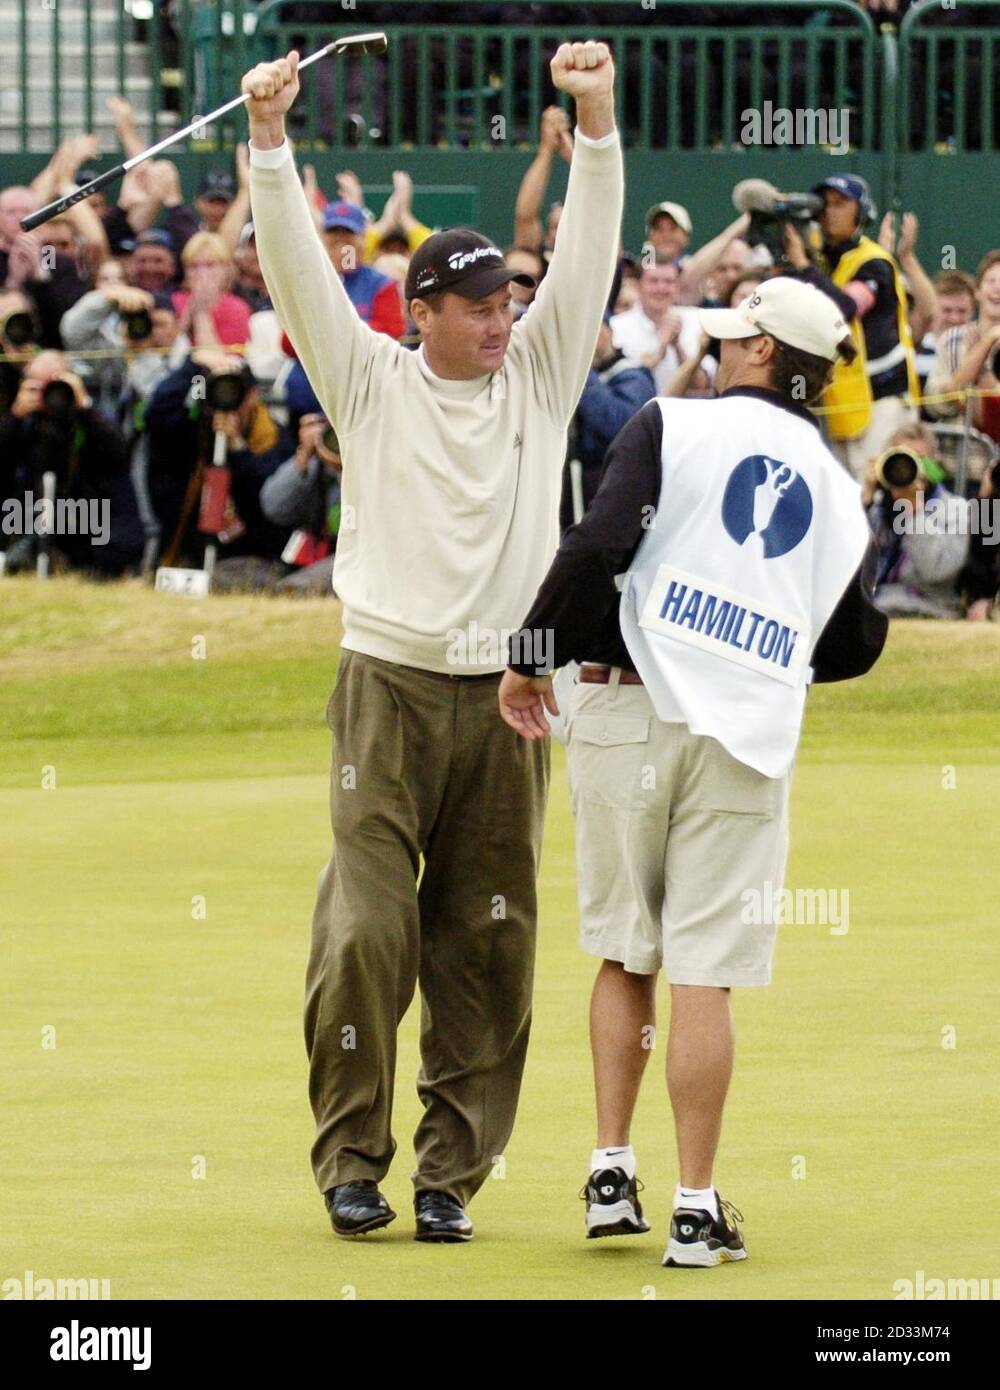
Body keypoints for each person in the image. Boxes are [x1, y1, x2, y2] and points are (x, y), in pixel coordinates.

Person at [243, 38, 623, 1243]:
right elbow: (301, 275)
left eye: (509, 300)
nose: (505, 319)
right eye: (479, 305)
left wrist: (596, 114)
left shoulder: (540, 374)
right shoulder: (367, 379)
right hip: (387, 688)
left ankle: (449, 1174)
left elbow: (592, 251)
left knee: (489, 942)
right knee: (365, 929)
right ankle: (350, 1157)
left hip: (511, 699)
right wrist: (269, 141)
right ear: (425, 315)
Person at [498, 277, 888, 1267]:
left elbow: (596, 545)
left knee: (626, 953)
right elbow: (850, 642)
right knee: (704, 974)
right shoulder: (839, 491)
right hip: (745, 740)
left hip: (624, 707)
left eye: (732, 338)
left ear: (760, 354)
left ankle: (607, 1169)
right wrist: (761, 653)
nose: (715, 351)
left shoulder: (671, 424)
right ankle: (693, 1205)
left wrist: (529, 650)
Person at [784, 174, 919, 482]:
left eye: (840, 204)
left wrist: (804, 267)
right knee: (841, 495)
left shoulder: (875, 262)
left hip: (882, 401)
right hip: (842, 402)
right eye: (825, 205)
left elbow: (846, 308)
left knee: (870, 490)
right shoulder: (823, 262)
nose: (830, 212)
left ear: (862, 212)